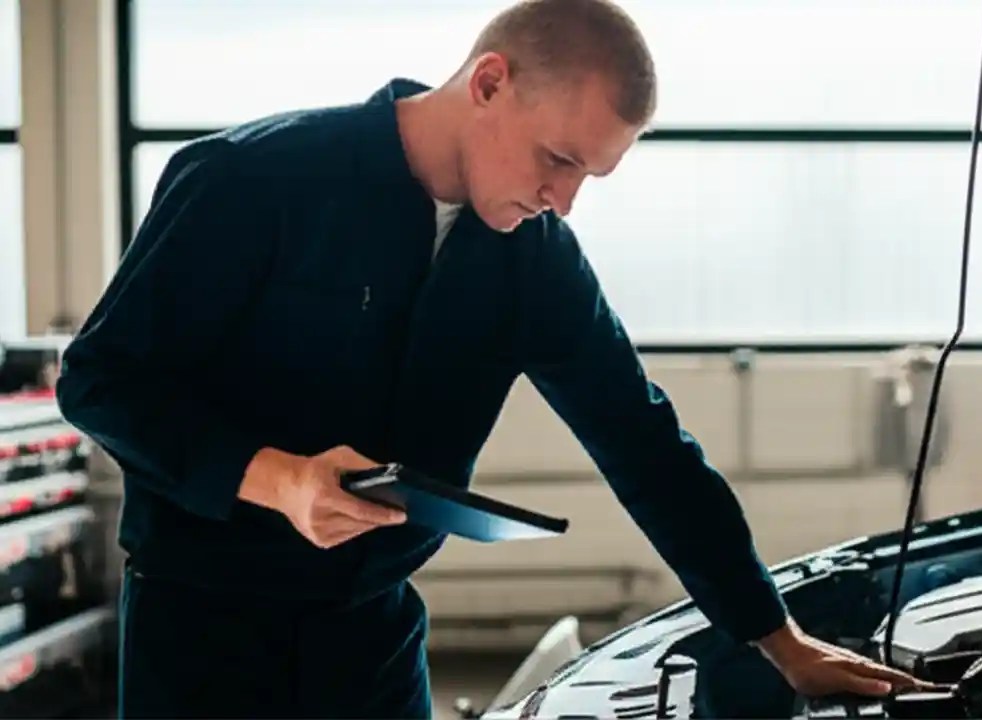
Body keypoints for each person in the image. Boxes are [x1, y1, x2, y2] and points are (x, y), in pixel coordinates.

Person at [56, 0, 929, 717]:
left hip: (372, 640)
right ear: (488, 83)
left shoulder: (533, 259)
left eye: (589, 177)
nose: (564, 201)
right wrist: (278, 479)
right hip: (204, 636)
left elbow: (645, 444)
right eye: (558, 160)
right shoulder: (249, 181)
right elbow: (101, 380)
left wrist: (776, 637)